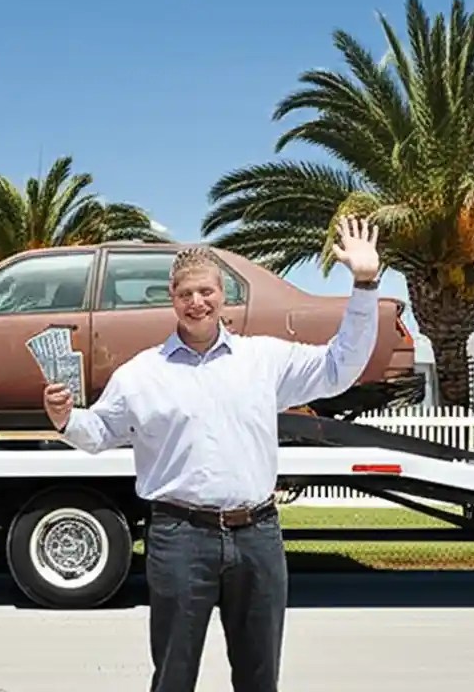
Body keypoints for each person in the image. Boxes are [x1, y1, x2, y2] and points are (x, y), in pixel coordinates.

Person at [43, 216, 382, 692]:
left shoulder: (263, 360)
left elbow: (338, 366)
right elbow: (98, 431)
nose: (196, 302)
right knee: (174, 677)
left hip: (258, 535)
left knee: (259, 678)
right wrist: (65, 418)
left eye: (206, 291)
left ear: (224, 296)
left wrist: (365, 284)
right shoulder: (142, 374)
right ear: (172, 298)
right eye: (186, 293)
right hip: (180, 538)